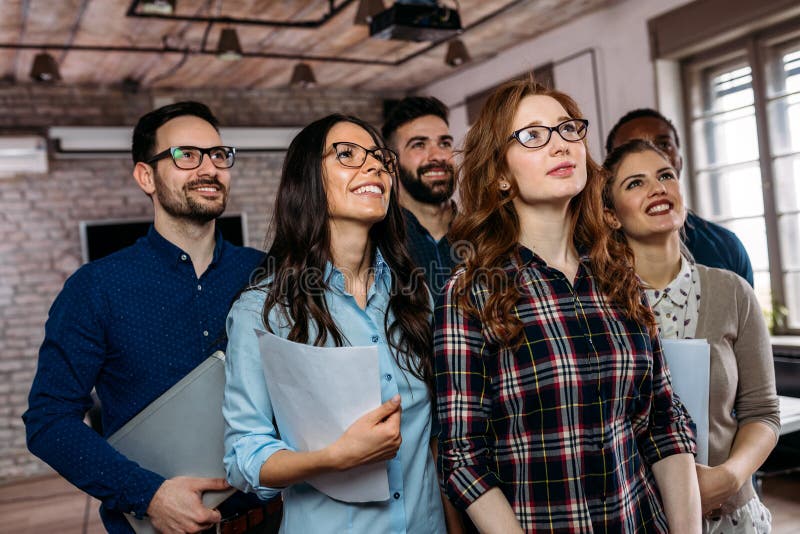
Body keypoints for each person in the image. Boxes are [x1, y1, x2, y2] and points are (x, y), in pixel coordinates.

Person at [434, 78, 702, 533]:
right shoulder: (471, 293)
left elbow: (663, 421)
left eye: (567, 130)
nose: (559, 145)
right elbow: (463, 457)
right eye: (533, 136)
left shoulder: (619, 277)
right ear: (500, 173)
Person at [23, 101, 269, 534]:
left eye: (217, 155)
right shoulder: (95, 287)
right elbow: (49, 420)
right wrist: (147, 494)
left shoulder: (266, 272)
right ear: (146, 176)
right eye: (186, 155)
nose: (209, 168)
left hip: (275, 519)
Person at [222, 114, 447, 533]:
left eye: (381, 159)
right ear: (307, 179)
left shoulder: (416, 297)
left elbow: (433, 440)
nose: (375, 167)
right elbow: (243, 457)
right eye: (347, 155)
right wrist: (333, 459)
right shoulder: (263, 311)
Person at [602, 139, 780, 533]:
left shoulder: (732, 292)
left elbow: (763, 413)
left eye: (665, 175)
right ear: (611, 216)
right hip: (637, 516)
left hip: (730, 513)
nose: (657, 188)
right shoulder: (596, 303)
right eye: (635, 183)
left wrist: (731, 476)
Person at [605, 108, 754, 286]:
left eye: (663, 145)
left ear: (679, 161)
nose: (650, 154)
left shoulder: (726, 247)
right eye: (634, 148)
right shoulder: (594, 265)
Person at [382, 96, 457, 297]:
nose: (438, 156)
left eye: (444, 143)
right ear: (391, 162)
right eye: (419, 145)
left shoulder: (481, 234)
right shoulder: (382, 243)